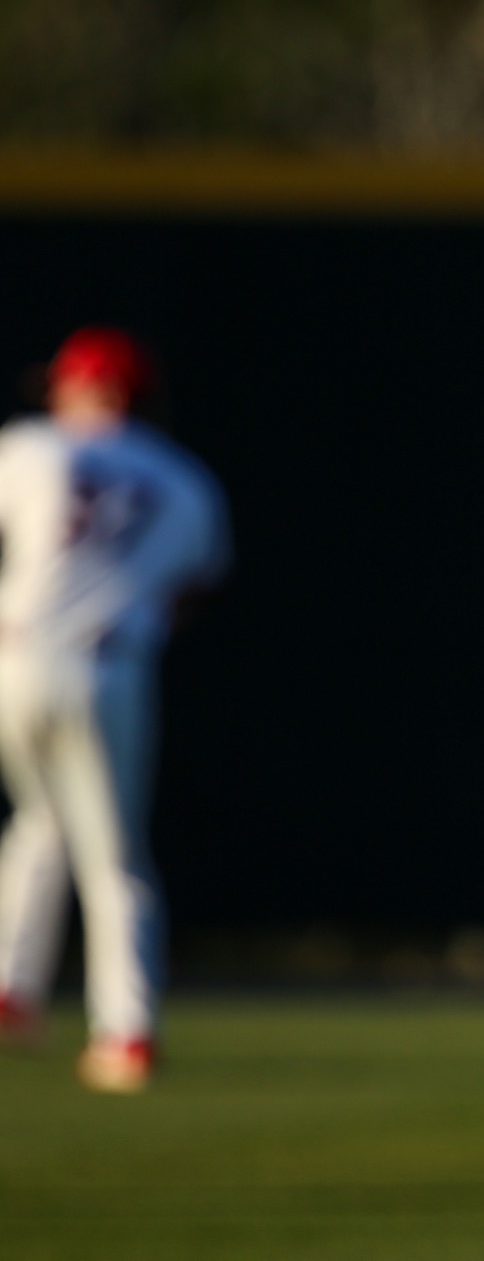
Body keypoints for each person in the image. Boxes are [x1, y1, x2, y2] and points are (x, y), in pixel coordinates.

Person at [0, 327, 230, 1092]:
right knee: (109, 854)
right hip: (108, 666)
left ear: (79, 386)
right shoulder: (185, 478)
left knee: (40, 821)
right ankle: (122, 1029)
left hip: (15, 657)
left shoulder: (30, 447)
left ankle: (19, 994)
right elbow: (197, 587)